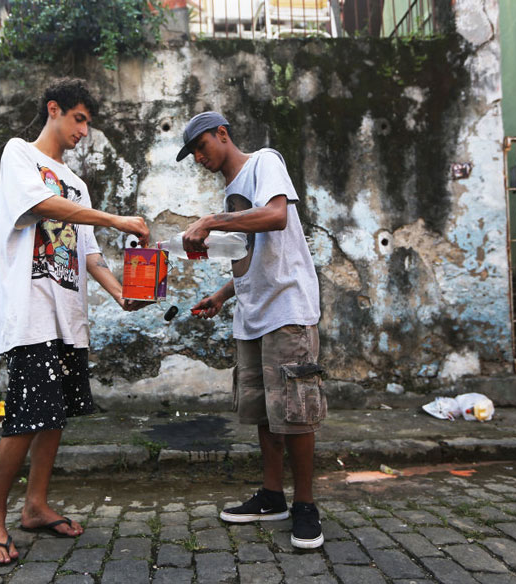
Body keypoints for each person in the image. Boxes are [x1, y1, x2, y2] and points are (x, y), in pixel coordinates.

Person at [0, 78, 150, 567]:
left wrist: (121, 294)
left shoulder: (77, 183)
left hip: (67, 316)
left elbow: (89, 255)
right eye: (79, 119)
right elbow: (36, 206)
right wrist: (114, 219)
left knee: (54, 415)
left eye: (88, 123)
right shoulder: (19, 155)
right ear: (53, 110)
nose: (83, 131)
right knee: (27, 414)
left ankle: (35, 506)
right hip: (31, 310)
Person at [177, 111, 326, 549]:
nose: (199, 157)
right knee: (265, 411)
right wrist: (223, 295)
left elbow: (277, 216)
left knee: (295, 413)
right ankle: (272, 495)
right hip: (252, 313)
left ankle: (305, 505)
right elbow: (255, 253)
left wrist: (211, 221)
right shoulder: (232, 193)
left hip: (287, 309)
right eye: (193, 154)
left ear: (222, 134)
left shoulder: (264, 162)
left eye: (202, 146)